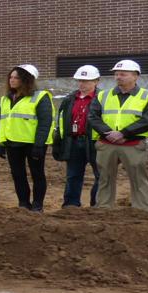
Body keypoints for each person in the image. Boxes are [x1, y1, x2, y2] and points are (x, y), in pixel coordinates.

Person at [89, 59, 148, 211]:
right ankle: (103, 207)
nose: (118, 77)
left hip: (132, 144)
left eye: (123, 74)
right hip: (107, 143)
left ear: (135, 76)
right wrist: (108, 133)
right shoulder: (103, 96)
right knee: (105, 178)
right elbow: (93, 116)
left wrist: (124, 133)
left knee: (138, 178)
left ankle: (142, 209)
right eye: (116, 74)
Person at [0, 64, 53, 211]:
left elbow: (45, 123)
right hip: (12, 142)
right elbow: (3, 121)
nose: (12, 80)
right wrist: (1, 142)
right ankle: (23, 203)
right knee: (18, 175)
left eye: (16, 77)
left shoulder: (40, 97)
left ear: (26, 80)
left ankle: (37, 206)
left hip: (32, 143)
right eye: (11, 77)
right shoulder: (6, 99)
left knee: (37, 174)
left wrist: (39, 145)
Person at [54, 64, 102, 208]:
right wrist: (59, 141)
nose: (82, 84)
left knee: (101, 176)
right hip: (73, 141)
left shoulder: (103, 99)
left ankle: (97, 204)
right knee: (73, 175)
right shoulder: (70, 99)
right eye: (80, 80)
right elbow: (62, 121)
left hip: (95, 142)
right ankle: (71, 204)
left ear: (96, 81)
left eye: (86, 81)